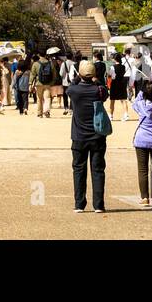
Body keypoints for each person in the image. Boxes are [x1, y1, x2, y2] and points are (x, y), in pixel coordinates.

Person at [66, 59, 107, 213]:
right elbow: (104, 90)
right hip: (97, 136)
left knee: (78, 169)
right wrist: (96, 81)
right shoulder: (99, 91)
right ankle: (99, 205)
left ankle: (79, 204)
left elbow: (70, 87)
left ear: (81, 74)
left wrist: (78, 77)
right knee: (98, 170)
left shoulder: (75, 91)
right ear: (94, 75)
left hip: (79, 136)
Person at [34, 53, 56, 118]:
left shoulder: (36, 63)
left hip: (38, 83)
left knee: (39, 98)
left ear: (39, 55)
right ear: (45, 55)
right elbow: (54, 74)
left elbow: (32, 74)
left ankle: (39, 113)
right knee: (47, 98)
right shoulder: (50, 63)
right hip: (48, 83)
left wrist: (30, 83)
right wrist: (52, 82)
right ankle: (46, 111)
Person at [108, 53, 128, 120]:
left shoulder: (112, 67)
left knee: (112, 100)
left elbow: (109, 75)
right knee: (123, 100)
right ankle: (126, 114)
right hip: (122, 83)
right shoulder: (123, 67)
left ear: (114, 59)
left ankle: (111, 115)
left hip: (114, 83)